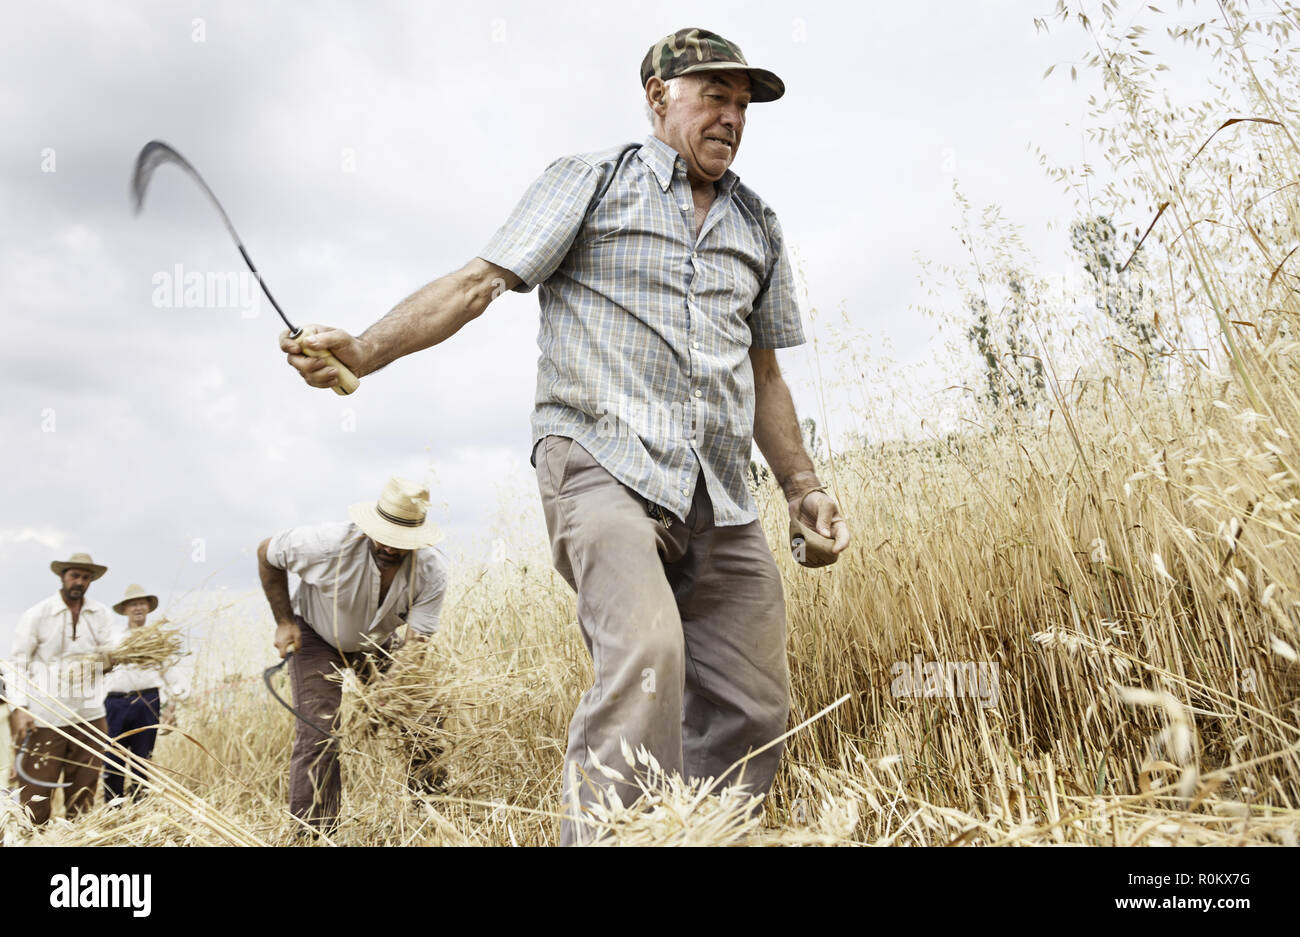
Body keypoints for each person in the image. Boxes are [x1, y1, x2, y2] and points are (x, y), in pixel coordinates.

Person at [278, 26, 851, 844]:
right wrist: (364, 351)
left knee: (755, 702)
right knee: (648, 653)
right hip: (600, 465)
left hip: (719, 493)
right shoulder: (593, 182)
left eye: (741, 102)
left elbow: (765, 377)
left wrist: (802, 486)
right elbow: (479, 283)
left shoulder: (757, 224)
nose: (731, 115)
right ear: (659, 96)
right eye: (712, 95)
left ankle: (699, 836)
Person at [256, 477, 449, 833]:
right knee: (320, 730)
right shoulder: (327, 545)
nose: (390, 548)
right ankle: (314, 834)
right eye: (384, 537)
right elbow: (267, 553)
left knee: (423, 718)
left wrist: (390, 695)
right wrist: (284, 621)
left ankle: (431, 817)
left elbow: (415, 646)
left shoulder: (431, 572)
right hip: (316, 635)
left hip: (375, 642)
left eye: (400, 542)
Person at [8, 553, 118, 825]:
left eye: (85, 577)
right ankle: (33, 839)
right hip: (46, 715)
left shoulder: (100, 614)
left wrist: (109, 660)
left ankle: (76, 838)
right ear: (62, 577)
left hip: (89, 713)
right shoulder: (38, 614)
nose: (79, 582)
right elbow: (17, 662)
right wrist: (19, 707)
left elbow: (110, 655)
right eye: (74, 576)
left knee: (83, 788)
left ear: (90, 581)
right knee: (36, 791)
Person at [101, 584, 188, 804]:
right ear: (125, 609)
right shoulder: (114, 639)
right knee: (113, 756)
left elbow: (172, 673)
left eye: (141, 603)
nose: (138, 608)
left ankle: (140, 805)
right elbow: (100, 669)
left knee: (142, 757)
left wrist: (171, 707)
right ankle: (113, 807)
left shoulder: (158, 640)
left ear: (148, 607)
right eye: (133, 604)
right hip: (116, 703)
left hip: (147, 701)